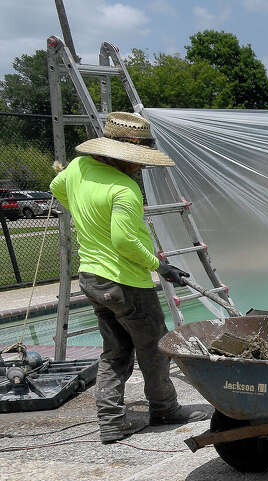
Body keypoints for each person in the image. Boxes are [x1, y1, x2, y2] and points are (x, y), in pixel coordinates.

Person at [49, 111, 209, 444]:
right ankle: (164, 408)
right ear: (121, 156)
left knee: (116, 350)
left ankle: (110, 421)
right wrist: (159, 265)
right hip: (126, 283)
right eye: (138, 160)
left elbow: (55, 186)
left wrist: (86, 217)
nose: (141, 167)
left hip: (93, 278)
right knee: (155, 346)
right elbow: (123, 241)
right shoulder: (124, 189)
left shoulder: (77, 168)